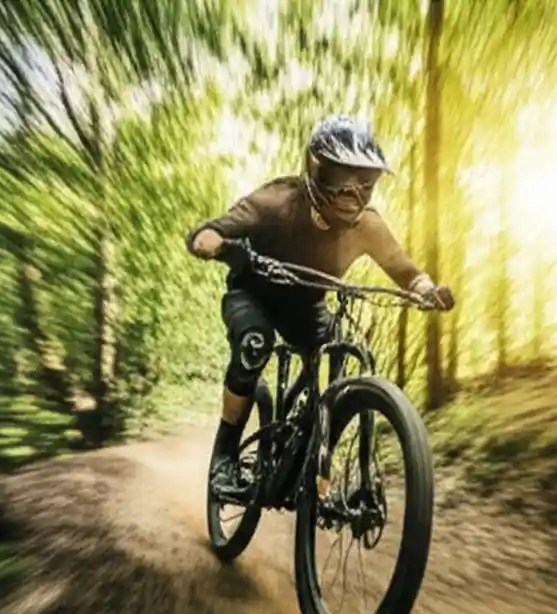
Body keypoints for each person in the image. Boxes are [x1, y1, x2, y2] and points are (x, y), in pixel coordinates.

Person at [185, 114, 454, 498]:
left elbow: (405, 271)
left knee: (348, 349)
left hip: (307, 306)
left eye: (365, 183)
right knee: (254, 343)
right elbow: (210, 231)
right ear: (315, 171)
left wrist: (428, 290)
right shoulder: (276, 202)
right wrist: (215, 246)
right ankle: (225, 455)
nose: (352, 194)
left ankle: (319, 454)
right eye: (340, 179)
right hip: (252, 294)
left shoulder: (368, 227)